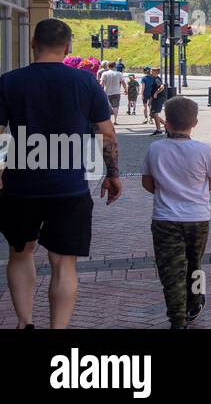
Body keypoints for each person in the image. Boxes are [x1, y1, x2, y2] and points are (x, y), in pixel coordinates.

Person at [0, 19, 122, 329]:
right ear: (67, 47)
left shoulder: (9, 82)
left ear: (33, 43)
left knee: (20, 252)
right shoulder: (85, 82)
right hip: (69, 187)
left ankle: (25, 322)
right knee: (63, 262)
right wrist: (112, 174)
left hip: (20, 186)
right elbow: (107, 134)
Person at [142, 96, 211, 329]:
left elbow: (147, 183)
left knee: (171, 271)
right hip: (198, 218)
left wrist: (166, 190)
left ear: (166, 123)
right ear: (194, 123)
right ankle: (195, 302)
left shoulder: (155, 149)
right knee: (195, 263)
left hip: (165, 218)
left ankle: (177, 318)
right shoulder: (203, 150)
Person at [99, 60, 125, 125]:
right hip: (116, 92)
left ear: (108, 66)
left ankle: (109, 120)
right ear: (115, 66)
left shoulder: (105, 74)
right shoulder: (119, 73)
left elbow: (101, 84)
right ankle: (115, 120)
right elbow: (123, 83)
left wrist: (99, 91)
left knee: (107, 107)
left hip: (107, 92)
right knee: (115, 107)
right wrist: (126, 89)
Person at [143, 67, 165, 133]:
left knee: (155, 114)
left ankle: (159, 130)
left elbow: (162, 87)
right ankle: (166, 125)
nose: (150, 71)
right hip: (155, 99)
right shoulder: (154, 78)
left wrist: (156, 93)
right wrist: (151, 100)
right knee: (152, 115)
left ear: (156, 72)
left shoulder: (157, 79)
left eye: (152, 71)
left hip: (158, 98)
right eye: (151, 70)